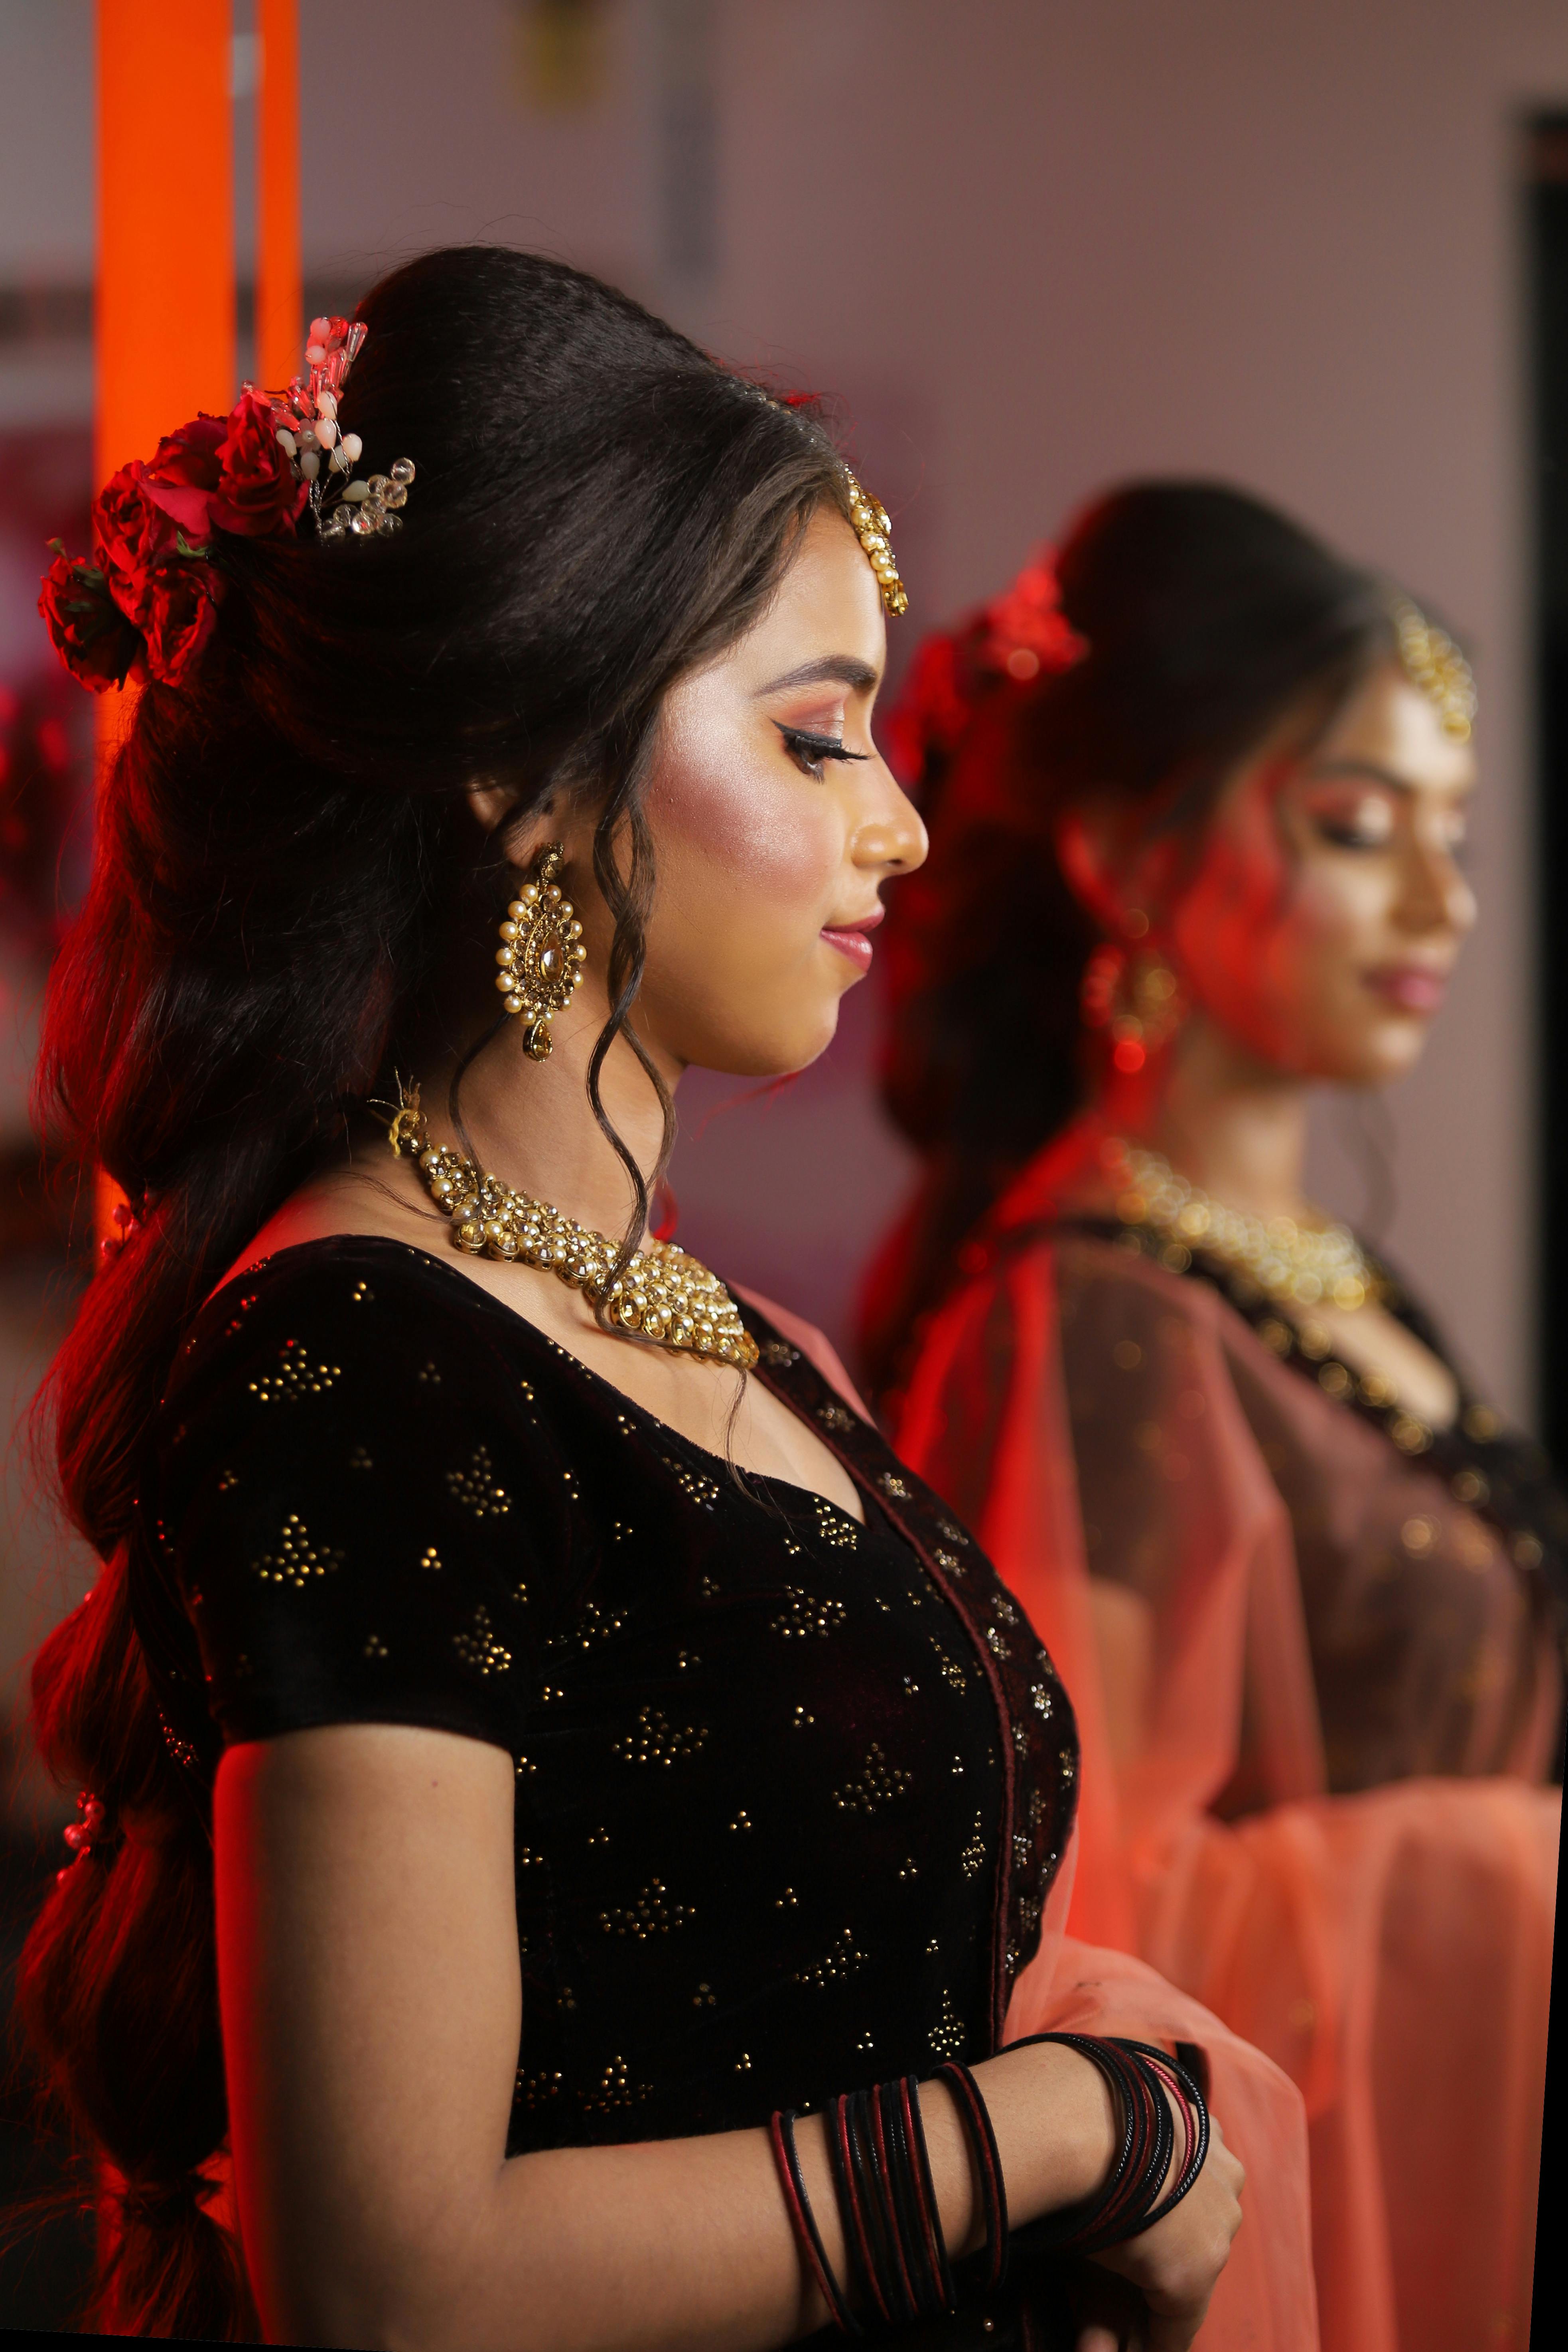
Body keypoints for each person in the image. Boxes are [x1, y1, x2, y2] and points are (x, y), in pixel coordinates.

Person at [14, 254, 1288, 2351]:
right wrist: (1060, 2133)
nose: (891, 821)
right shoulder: (358, 1352)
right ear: (523, 766)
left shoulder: (708, 1326)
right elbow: (394, 2277)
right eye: (811, 734)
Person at [869, 481, 1564, 2352]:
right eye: (1356, 827)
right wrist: (1514, 1877)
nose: (1445, 899)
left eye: (1452, 832)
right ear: (1122, 855)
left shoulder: (1311, 1267)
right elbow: (1091, 1922)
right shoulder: (1090, 1313)